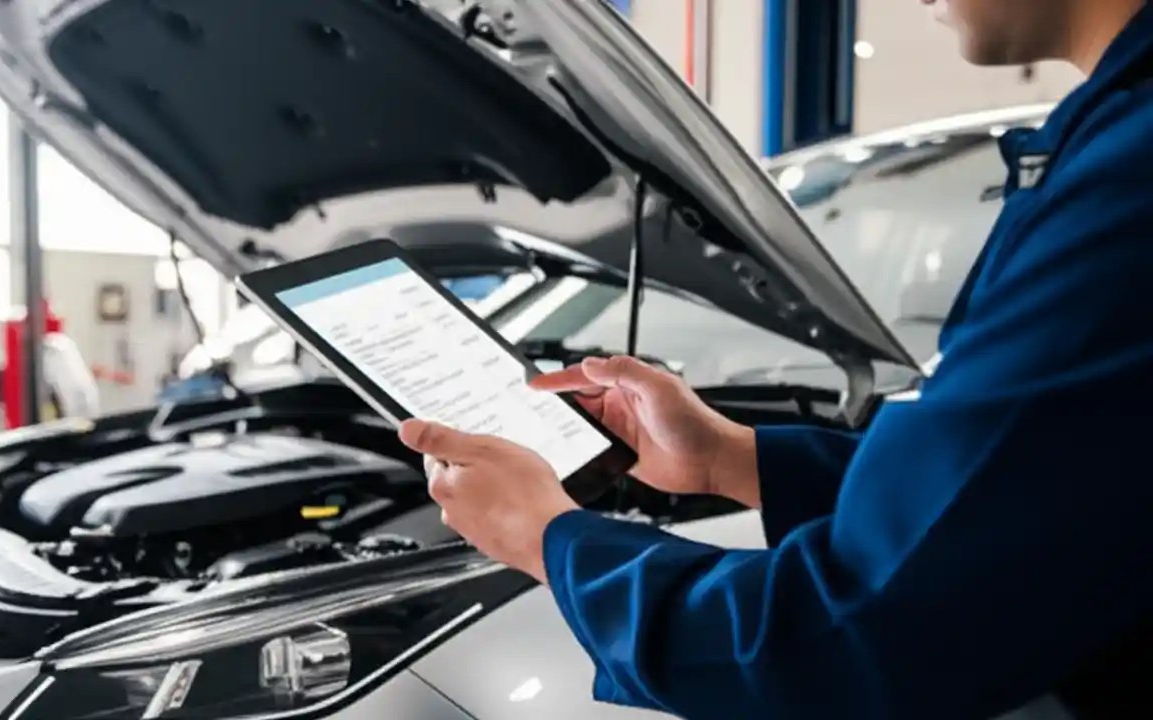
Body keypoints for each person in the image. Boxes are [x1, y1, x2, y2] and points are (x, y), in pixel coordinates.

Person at [399, 0, 1153, 717]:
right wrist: (735, 459)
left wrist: (553, 540)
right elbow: (1033, 490)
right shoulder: (1108, 143)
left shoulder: (1128, 179)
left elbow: (857, 635)